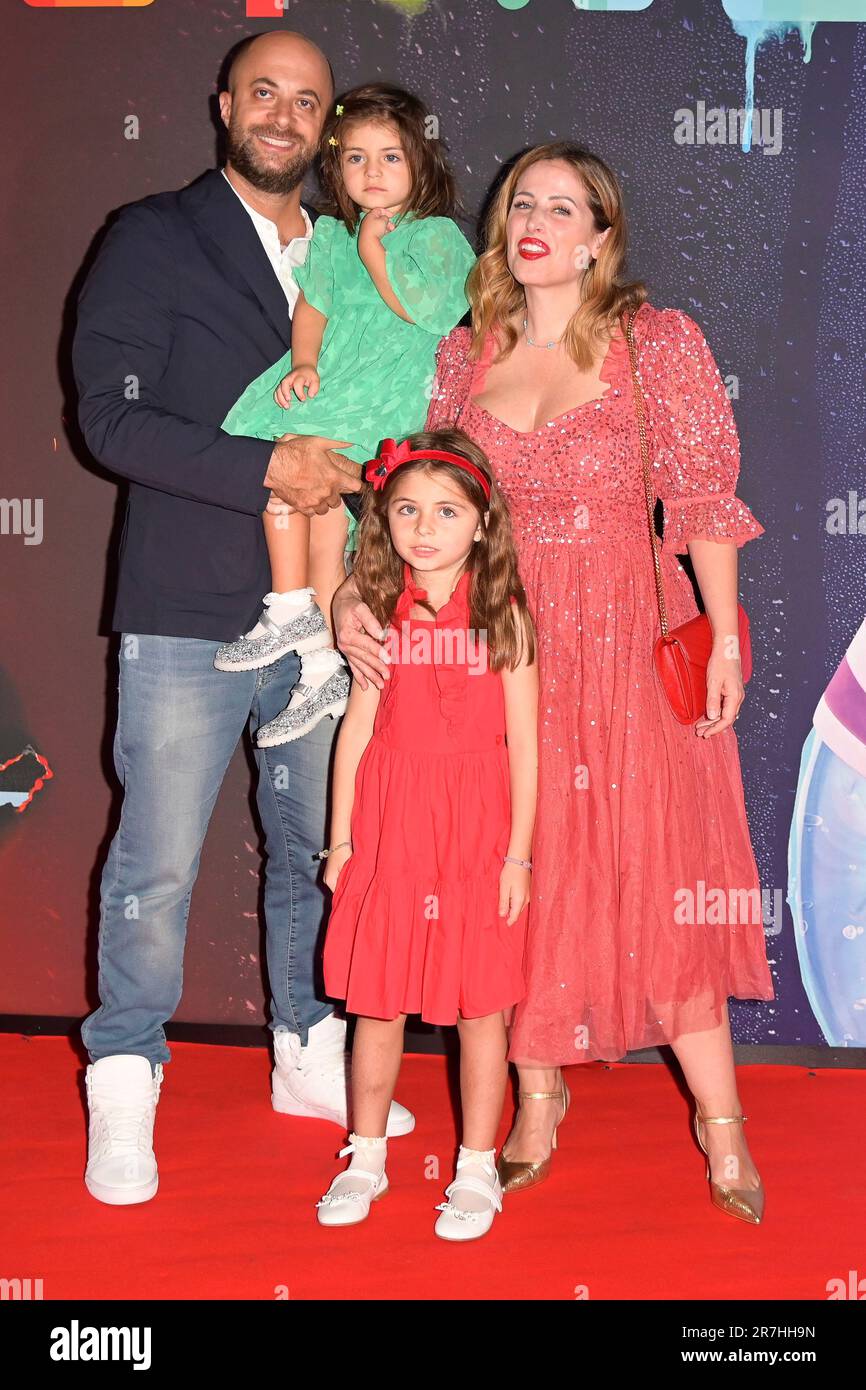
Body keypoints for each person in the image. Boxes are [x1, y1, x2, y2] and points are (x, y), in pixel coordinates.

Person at [333, 141, 774, 1226]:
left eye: (562, 206)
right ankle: (534, 1096)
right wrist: (354, 594)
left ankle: (720, 1123)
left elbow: (700, 502)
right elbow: (417, 499)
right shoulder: (459, 353)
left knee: (652, 866)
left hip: (626, 641)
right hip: (500, 654)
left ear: (598, 237)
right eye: (519, 201)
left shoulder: (652, 343)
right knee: (513, 870)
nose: (534, 218)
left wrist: (721, 634)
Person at [70, 29, 414, 1208]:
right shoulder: (151, 236)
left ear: (327, 127)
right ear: (224, 103)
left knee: (321, 852)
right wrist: (269, 466)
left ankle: (307, 1054)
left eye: (306, 101)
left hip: (325, 607)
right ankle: (123, 1072)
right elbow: (108, 424)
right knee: (156, 864)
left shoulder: (356, 254)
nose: (284, 115)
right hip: (184, 606)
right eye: (263, 92)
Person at [315, 429, 539, 1240]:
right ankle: (365, 1157)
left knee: (482, 1005)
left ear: (481, 523)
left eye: (447, 510)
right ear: (385, 519)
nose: (424, 526)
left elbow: (527, 743)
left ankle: (477, 1168)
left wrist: (518, 852)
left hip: (478, 826)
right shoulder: (378, 611)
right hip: (393, 819)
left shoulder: (504, 615)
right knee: (377, 1001)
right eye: (407, 508)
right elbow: (357, 729)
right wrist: (340, 843)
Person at [214, 84, 476, 750]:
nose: (372, 173)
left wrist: (378, 255)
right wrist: (304, 362)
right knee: (301, 485)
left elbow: (430, 310)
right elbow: (314, 309)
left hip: (387, 392)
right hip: (336, 378)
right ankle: (315, 642)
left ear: (422, 162)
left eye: (390, 157)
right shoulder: (332, 235)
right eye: (356, 158)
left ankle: (300, 617)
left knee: (306, 473)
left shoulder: (437, 237)